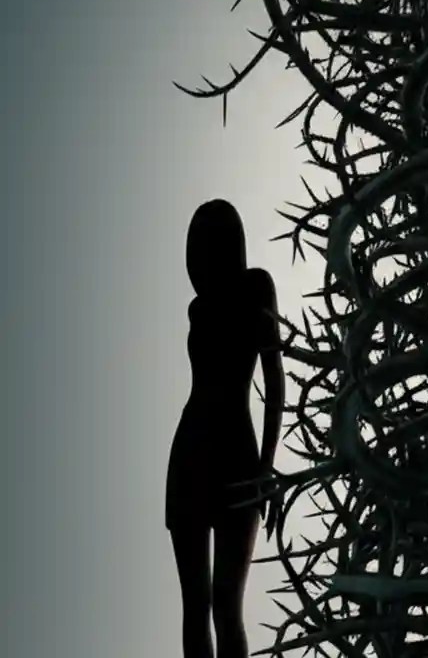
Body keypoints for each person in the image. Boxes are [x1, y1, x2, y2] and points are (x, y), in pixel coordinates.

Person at [165, 199, 284, 658]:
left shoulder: (257, 286)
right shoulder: (197, 308)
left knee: (225, 607)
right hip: (191, 454)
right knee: (197, 607)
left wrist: (266, 468)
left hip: (238, 455)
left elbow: (274, 381)